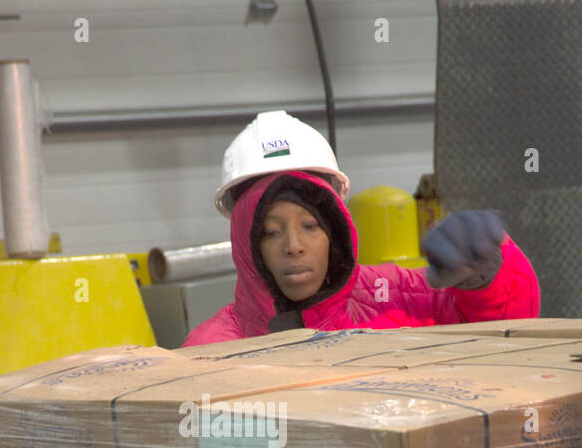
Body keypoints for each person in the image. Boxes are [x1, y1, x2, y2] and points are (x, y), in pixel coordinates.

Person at [182, 111, 540, 347]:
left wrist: (486, 271)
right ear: (248, 246)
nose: (294, 246)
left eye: (310, 226)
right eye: (271, 232)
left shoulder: (399, 296)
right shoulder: (214, 349)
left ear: (335, 231)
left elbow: (506, 334)